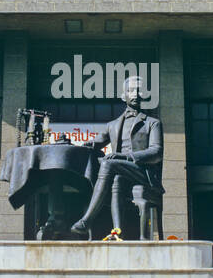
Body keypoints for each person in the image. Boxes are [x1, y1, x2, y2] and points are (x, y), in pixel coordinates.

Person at [69, 76, 163, 238]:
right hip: (123, 174)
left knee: (108, 164)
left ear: (145, 94)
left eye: (139, 90)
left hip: (144, 174)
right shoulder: (112, 125)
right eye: (131, 90)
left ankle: (87, 220)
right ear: (123, 95)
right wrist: (72, 144)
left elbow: (156, 152)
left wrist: (126, 157)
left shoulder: (152, 123)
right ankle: (118, 232)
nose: (135, 94)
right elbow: (94, 143)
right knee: (117, 178)